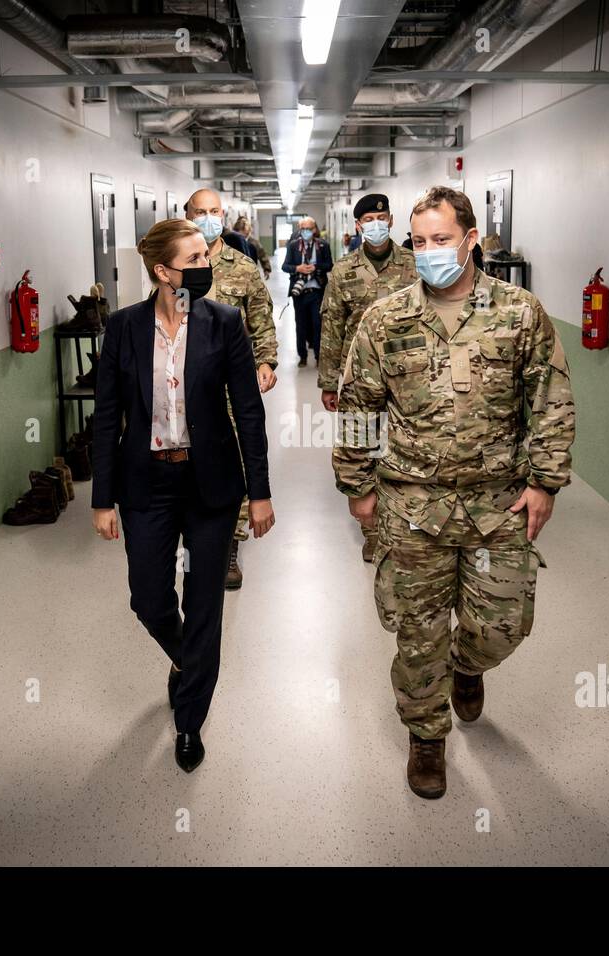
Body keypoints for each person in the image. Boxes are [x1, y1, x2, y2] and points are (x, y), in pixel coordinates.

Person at [333, 186, 575, 800]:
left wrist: (545, 481)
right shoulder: (385, 319)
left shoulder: (520, 313)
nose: (428, 252)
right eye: (418, 242)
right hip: (412, 503)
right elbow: (360, 406)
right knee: (417, 631)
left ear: (471, 240)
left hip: (498, 504)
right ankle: (427, 739)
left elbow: (549, 400)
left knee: (503, 625)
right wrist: (357, 484)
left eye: (440, 240)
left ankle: (467, 667)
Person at [91, 218, 276, 774]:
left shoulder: (224, 324)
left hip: (210, 484)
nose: (205, 266)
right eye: (194, 259)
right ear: (162, 271)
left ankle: (190, 720)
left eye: (206, 256)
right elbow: (105, 418)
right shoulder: (123, 328)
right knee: (148, 597)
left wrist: (260, 493)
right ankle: (188, 660)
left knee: (204, 603)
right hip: (146, 482)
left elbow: (248, 410)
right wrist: (102, 499)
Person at [185, 188, 278, 590]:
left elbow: (262, 319)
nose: (208, 218)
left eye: (214, 212)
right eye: (200, 212)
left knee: (237, 457)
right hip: (186, 385)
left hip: (232, 383)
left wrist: (267, 361)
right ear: (187, 215)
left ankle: (229, 548)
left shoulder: (242, 267)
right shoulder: (174, 266)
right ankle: (193, 533)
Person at [318, 193, 418, 562]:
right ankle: (373, 531)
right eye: (368, 219)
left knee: (407, 447)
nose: (376, 223)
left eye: (381, 216)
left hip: (410, 374)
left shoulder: (414, 263)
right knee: (364, 448)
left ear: (391, 220)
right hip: (358, 377)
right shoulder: (343, 271)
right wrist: (330, 382)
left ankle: (408, 523)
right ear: (358, 225)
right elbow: (332, 329)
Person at [282, 216, 332, 368]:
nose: (306, 232)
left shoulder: (322, 245)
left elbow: (329, 265)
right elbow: (285, 266)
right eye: (303, 229)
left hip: (317, 290)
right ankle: (302, 356)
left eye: (309, 229)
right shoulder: (293, 246)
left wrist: (316, 267)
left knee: (318, 324)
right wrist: (298, 268)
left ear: (314, 229)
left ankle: (318, 356)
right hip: (299, 292)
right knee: (301, 324)